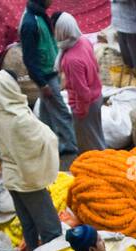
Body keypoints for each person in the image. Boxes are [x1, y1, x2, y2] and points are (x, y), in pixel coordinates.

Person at [0, 69, 62, 251]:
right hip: (28, 180)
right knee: (51, 229)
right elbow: (47, 139)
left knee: (28, 223)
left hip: (11, 177)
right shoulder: (19, 118)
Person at [19, 0, 77, 155]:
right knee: (61, 111)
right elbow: (29, 59)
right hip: (45, 76)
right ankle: (72, 144)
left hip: (50, 71)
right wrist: (42, 83)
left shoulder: (40, 15)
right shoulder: (30, 24)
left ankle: (48, 145)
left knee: (46, 112)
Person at [54, 12, 104, 154]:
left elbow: (82, 92)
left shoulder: (71, 59)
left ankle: (99, 167)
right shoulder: (83, 40)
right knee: (96, 137)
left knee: (90, 144)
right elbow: (96, 67)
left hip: (86, 104)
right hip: (96, 96)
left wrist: (80, 112)